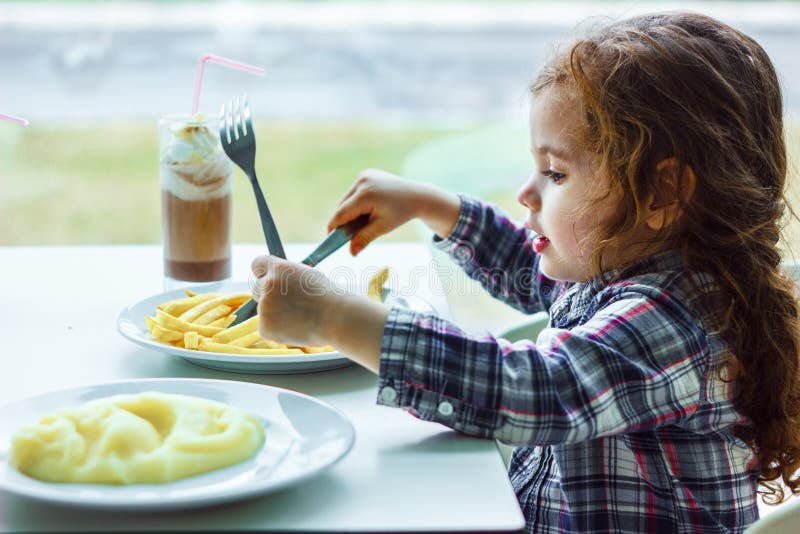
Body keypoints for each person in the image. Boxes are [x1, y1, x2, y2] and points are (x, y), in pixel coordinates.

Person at [249, 11, 800, 533]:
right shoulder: (619, 268)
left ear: (662, 192)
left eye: (555, 173)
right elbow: (531, 271)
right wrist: (432, 205)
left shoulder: (677, 322)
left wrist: (334, 319)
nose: (526, 191)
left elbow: (536, 389)